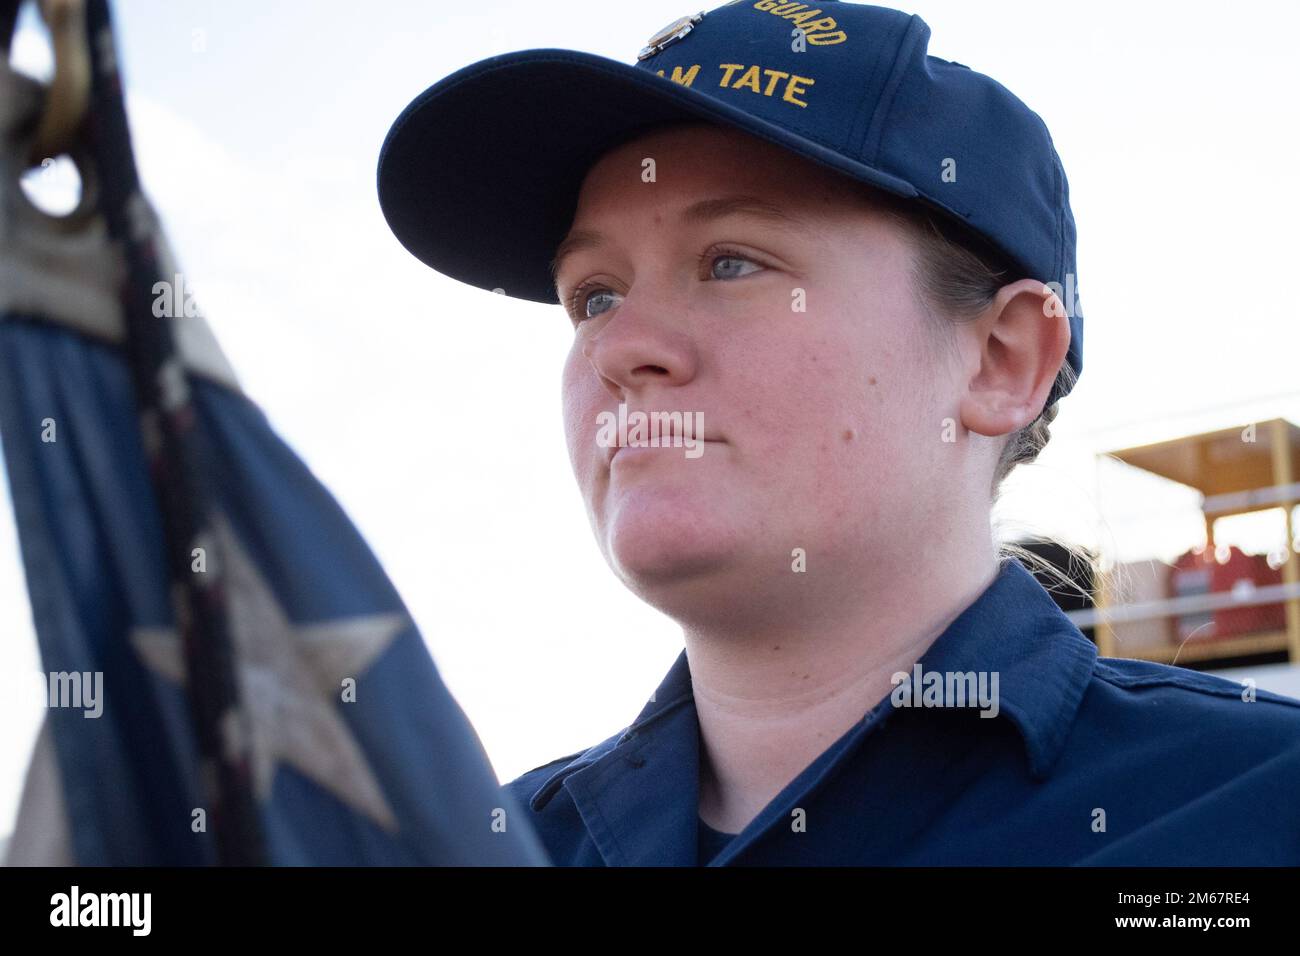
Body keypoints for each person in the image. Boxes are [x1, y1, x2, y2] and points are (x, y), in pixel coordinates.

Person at [376, 1, 1300, 865]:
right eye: (594, 295)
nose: (622, 347)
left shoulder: (1258, 811)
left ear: (1001, 359)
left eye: (731, 262)